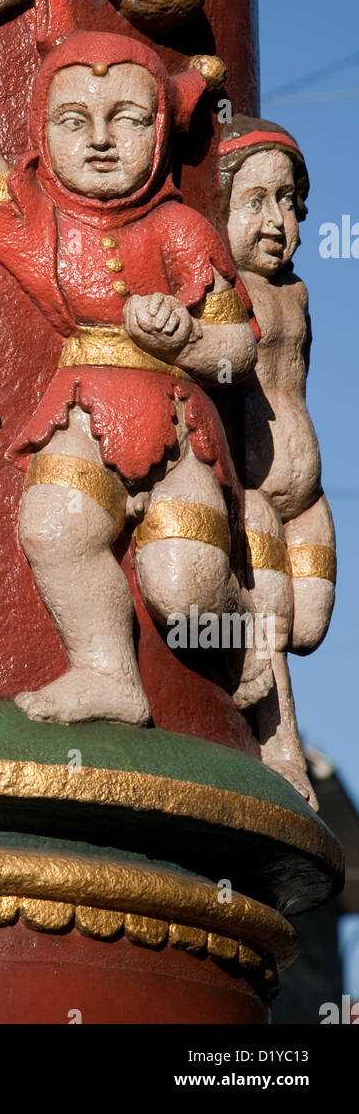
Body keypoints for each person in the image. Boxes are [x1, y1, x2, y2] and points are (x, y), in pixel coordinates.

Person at [0, 0, 258, 725]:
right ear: (43, 129)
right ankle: (105, 671)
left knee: (183, 585)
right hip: (83, 409)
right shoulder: (43, 226)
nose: (99, 140)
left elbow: (239, 349)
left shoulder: (182, 229)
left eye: (126, 120)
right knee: (56, 528)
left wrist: (187, 340)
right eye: (72, 121)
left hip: (177, 418)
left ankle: (247, 632)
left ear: (158, 131)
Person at [221, 116, 335, 804]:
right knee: (269, 615)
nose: (277, 219)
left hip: (309, 499)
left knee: (309, 626)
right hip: (254, 490)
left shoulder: (297, 292)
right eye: (256, 201)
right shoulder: (223, 284)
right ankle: (279, 744)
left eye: (288, 201)